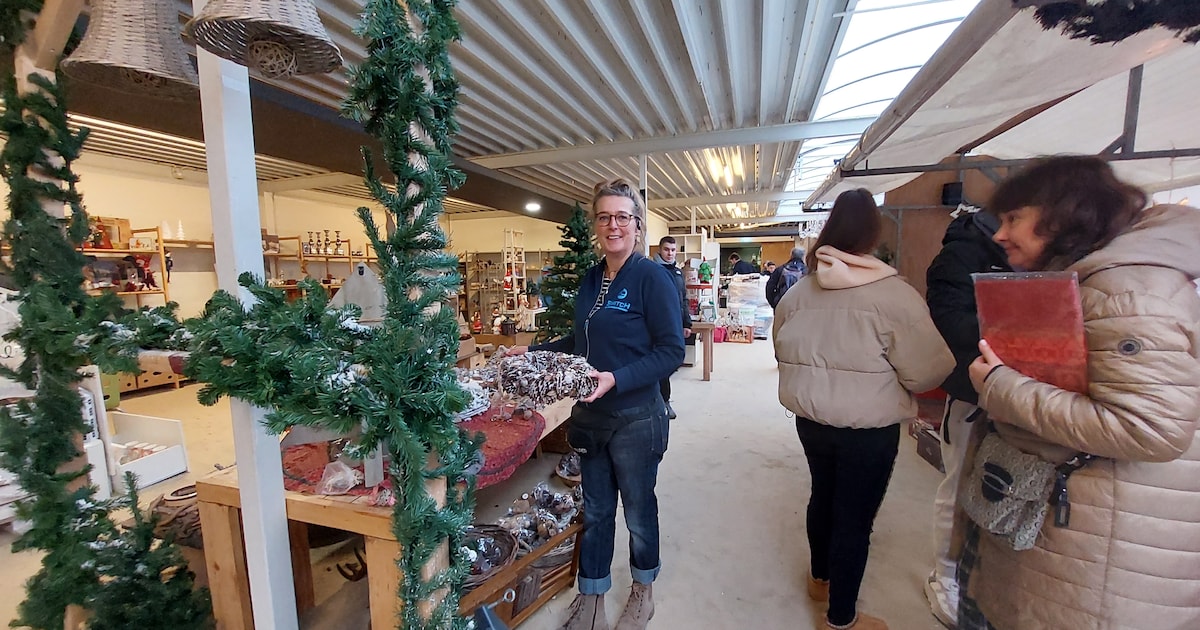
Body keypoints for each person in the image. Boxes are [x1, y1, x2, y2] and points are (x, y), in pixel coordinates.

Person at [957, 156, 1200, 630]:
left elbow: (1149, 428)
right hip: (1080, 528)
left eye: (1013, 219)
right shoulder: (1102, 281)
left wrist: (1000, 386)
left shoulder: (1126, 291)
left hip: (1099, 548)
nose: (1000, 235)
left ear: (1065, 215)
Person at [507, 178, 684, 630]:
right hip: (591, 416)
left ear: (638, 225)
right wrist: (532, 352)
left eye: (622, 216)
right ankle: (592, 596)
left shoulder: (652, 278)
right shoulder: (591, 278)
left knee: (639, 510)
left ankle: (643, 589)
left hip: (636, 417)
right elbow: (581, 341)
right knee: (598, 509)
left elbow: (670, 352)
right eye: (604, 217)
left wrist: (617, 378)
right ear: (596, 224)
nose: (613, 225)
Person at [774, 189, 953, 630]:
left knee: (823, 495)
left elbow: (782, 348)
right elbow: (927, 370)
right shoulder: (894, 296)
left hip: (811, 421)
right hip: (868, 428)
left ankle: (820, 578)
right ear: (873, 234)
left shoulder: (798, 293)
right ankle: (841, 620)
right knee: (855, 518)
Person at [921, 209, 1010, 628]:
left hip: (1009, 396)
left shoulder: (1034, 257)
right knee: (957, 489)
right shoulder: (958, 259)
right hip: (973, 394)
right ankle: (947, 579)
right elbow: (950, 322)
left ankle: (977, 577)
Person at [653, 236, 693, 419]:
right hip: (658, 326)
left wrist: (686, 322)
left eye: (673, 250)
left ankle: (663, 400)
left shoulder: (678, 273)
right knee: (660, 365)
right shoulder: (652, 270)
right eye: (666, 249)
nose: (669, 253)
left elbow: (683, 299)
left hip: (676, 324)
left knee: (672, 362)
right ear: (660, 250)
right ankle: (662, 402)